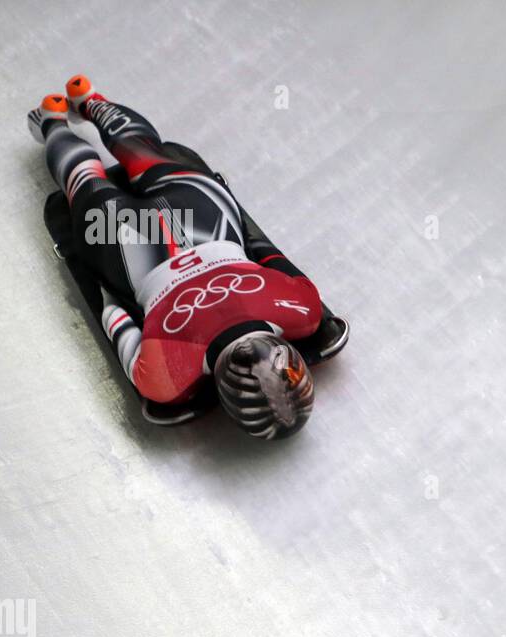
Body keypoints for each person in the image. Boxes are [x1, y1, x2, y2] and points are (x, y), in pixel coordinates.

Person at [27, 75, 348, 439]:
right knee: (83, 181)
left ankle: (88, 100)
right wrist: (102, 277)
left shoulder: (301, 311)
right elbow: (113, 314)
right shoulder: (166, 377)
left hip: (204, 216)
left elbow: (265, 252)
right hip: (125, 244)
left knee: (143, 148)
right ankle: (52, 123)